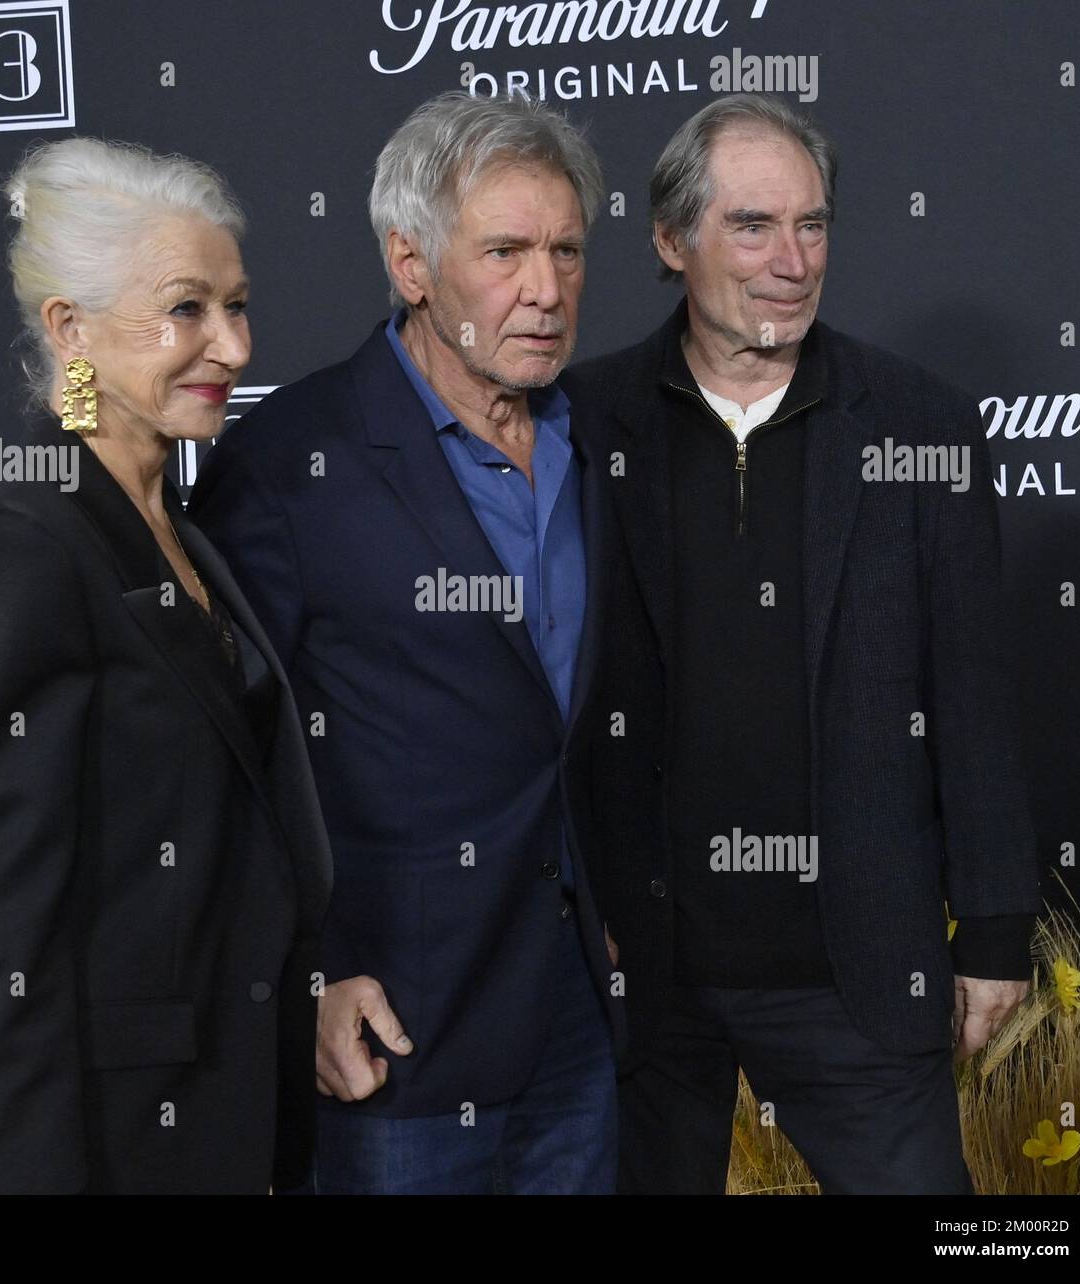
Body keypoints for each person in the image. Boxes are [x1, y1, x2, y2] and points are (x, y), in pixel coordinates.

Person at [565, 93, 1041, 1195]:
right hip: (641, 970)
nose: (792, 260)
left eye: (813, 225)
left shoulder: (920, 426)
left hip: (856, 970)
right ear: (670, 239)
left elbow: (971, 694)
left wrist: (997, 930)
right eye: (752, 226)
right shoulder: (578, 426)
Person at [188, 91, 622, 1195]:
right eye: (506, 251)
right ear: (412, 262)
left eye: (567, 250)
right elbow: (231, 756)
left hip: (582, 1008)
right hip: (395, 1018)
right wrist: (310, 976)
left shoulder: (603, 443)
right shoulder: (291, 462)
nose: (546, 288)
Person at [0, 136, 330, 1195]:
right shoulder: (22, 546)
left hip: (225, 1126)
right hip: (105, 1149)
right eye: (187, 309)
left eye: (237, 307)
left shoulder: (184, 534)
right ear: (72, 331)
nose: (231, 346)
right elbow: (2, 935)